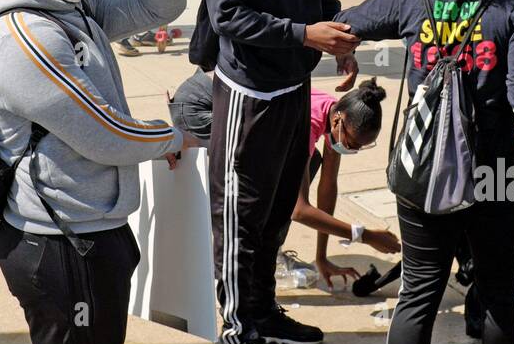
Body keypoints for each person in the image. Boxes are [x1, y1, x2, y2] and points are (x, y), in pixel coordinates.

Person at [0, 0, 197, 344]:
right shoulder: (25, 31)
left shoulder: (79, 8)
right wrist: (173, 137)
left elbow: (161, 7)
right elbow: (105, 135)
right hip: (60, 240)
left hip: (89, 228)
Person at [337, 0, 514, 344]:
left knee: (419, 294)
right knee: (498, 294)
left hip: (423, 168)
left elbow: (346, 23)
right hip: (496, 172)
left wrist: (346, 50)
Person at [205, 0, 353, 344]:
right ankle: (235, 327)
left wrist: (339, 38)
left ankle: (263, 309)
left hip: (295, 83)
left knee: (275, 209)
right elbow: (227, 16)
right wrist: (301, 33)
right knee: (239, 211)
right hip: (248, 88)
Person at [169, 71, 400, 290]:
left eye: (360, 147)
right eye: (352, 143)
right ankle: (238, 265)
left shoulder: (334, 115)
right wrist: (365, 235)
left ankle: (266, 254)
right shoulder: (307, 121)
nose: (351, 149)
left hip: (228, 103)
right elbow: (299, 210)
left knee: (305, 163)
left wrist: (322, 257)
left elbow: (327, 187)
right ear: (340, 121)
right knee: (256, 184)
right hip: (199, 106)